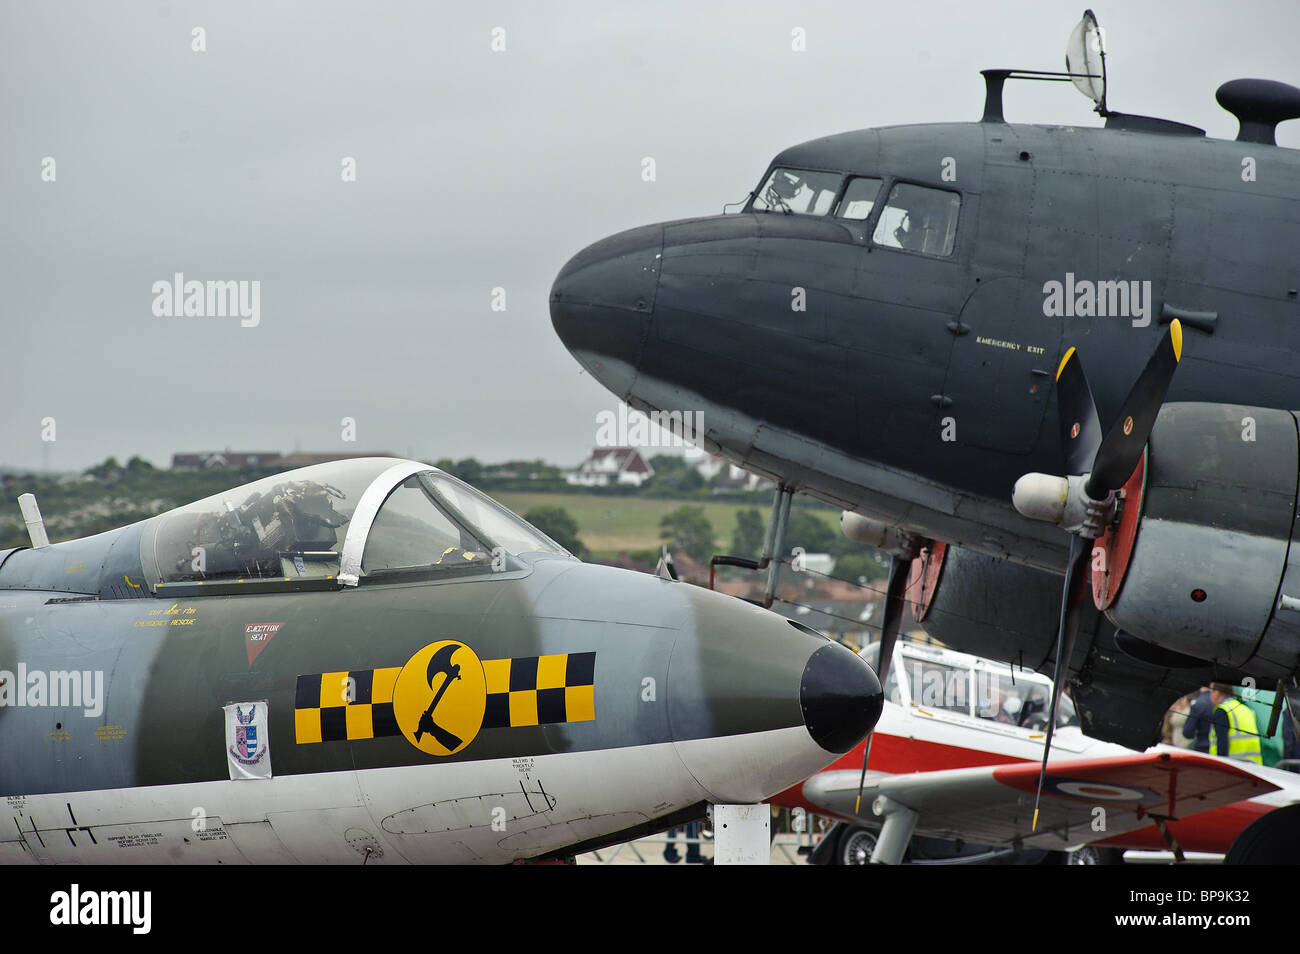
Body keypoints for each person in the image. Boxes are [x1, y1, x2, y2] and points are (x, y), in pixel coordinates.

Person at [1208, 682, 1263, 764]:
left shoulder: (1222, 710)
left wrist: (1219, 766)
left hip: (1233, 765)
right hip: (1253, 765)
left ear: (1217, 692)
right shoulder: (1246, 709)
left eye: (1211, 691)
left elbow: (1222, 743)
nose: (1210, 695)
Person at [1181, 687, 1213, 753]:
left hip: (1202, 749)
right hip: (1220, 751)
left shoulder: (1199, 703)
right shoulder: (1224, 703)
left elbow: (1187, 733)